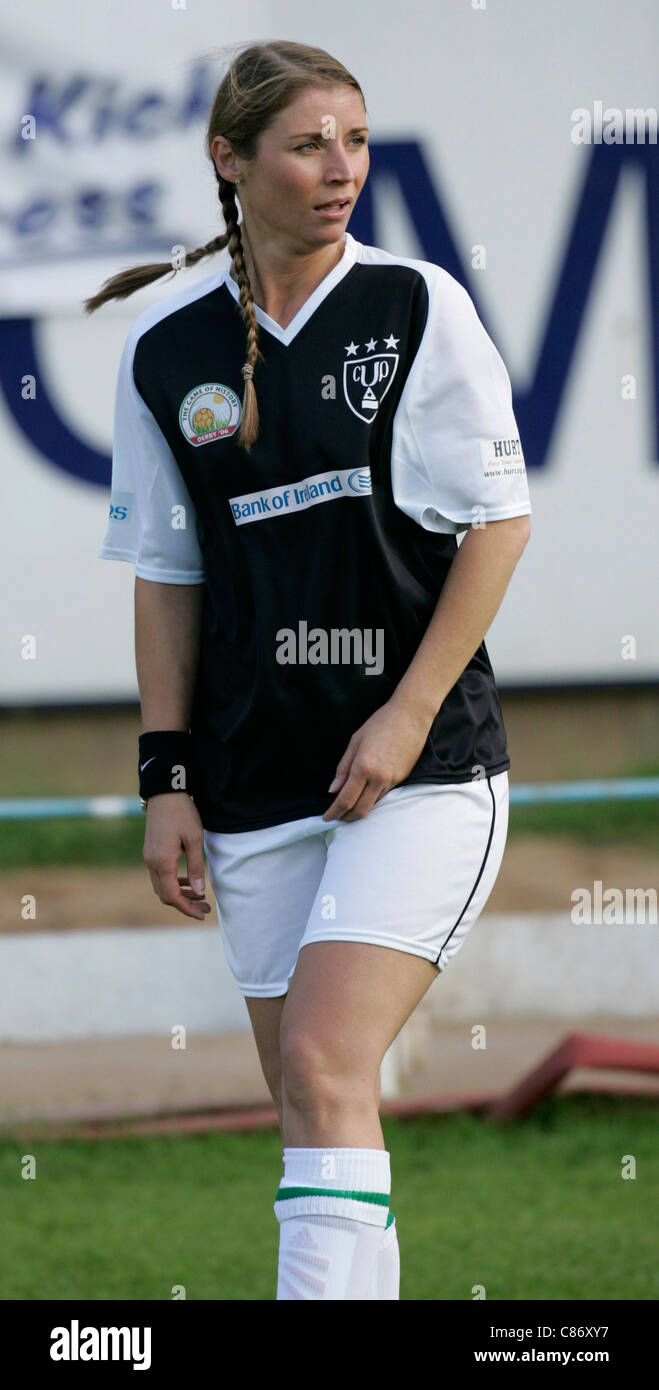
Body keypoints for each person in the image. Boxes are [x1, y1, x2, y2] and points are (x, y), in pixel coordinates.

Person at [88, 39, 532, 1301]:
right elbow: (167, 579)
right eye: (305, 143)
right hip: (249, 777)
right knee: (309, 1096)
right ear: (230, 161)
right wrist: (164, 777)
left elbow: (498, 524)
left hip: (420, 770)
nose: (339, 169)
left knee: (328, 1066)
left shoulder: (414, 305)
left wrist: (404, 711)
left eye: (354, 139)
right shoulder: (166, 356)